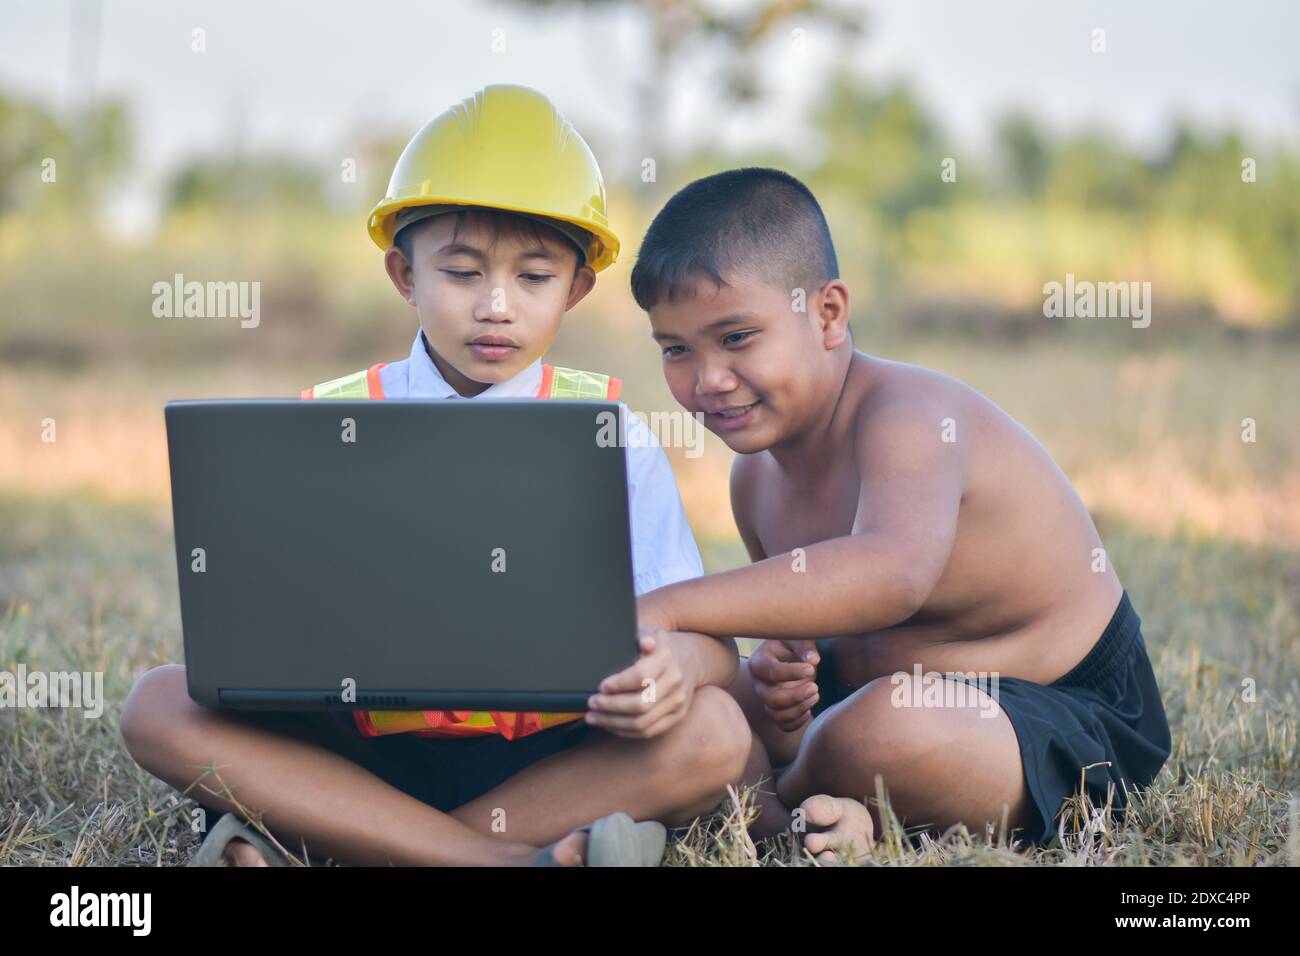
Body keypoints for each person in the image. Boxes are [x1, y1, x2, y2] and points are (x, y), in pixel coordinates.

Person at [121, 86, 750, 867]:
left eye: (534, 278)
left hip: (551, 757)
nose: (495, 306)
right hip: (357, 750)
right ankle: (510, 859)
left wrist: (676, 668)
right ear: (404, 274)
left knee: (715, 730)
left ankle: (341, 842)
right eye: (461, 271)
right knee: (156, 705)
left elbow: (706, 641)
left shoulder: (617, 436)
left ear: (577, 290)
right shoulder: (327, 421)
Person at [630, 167, 1172, 861]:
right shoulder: (753, 481)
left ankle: (762, 811)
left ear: (827, 314)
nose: (707, 379)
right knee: (708, 694)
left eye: (736, 337)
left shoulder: (910, 418)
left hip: (1054, 715)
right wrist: (783, 685)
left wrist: (668, 607)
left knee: (881, 730)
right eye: (676, 349)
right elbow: (814, 658)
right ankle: (808, 809)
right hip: (859, 712)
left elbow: (893, 574)